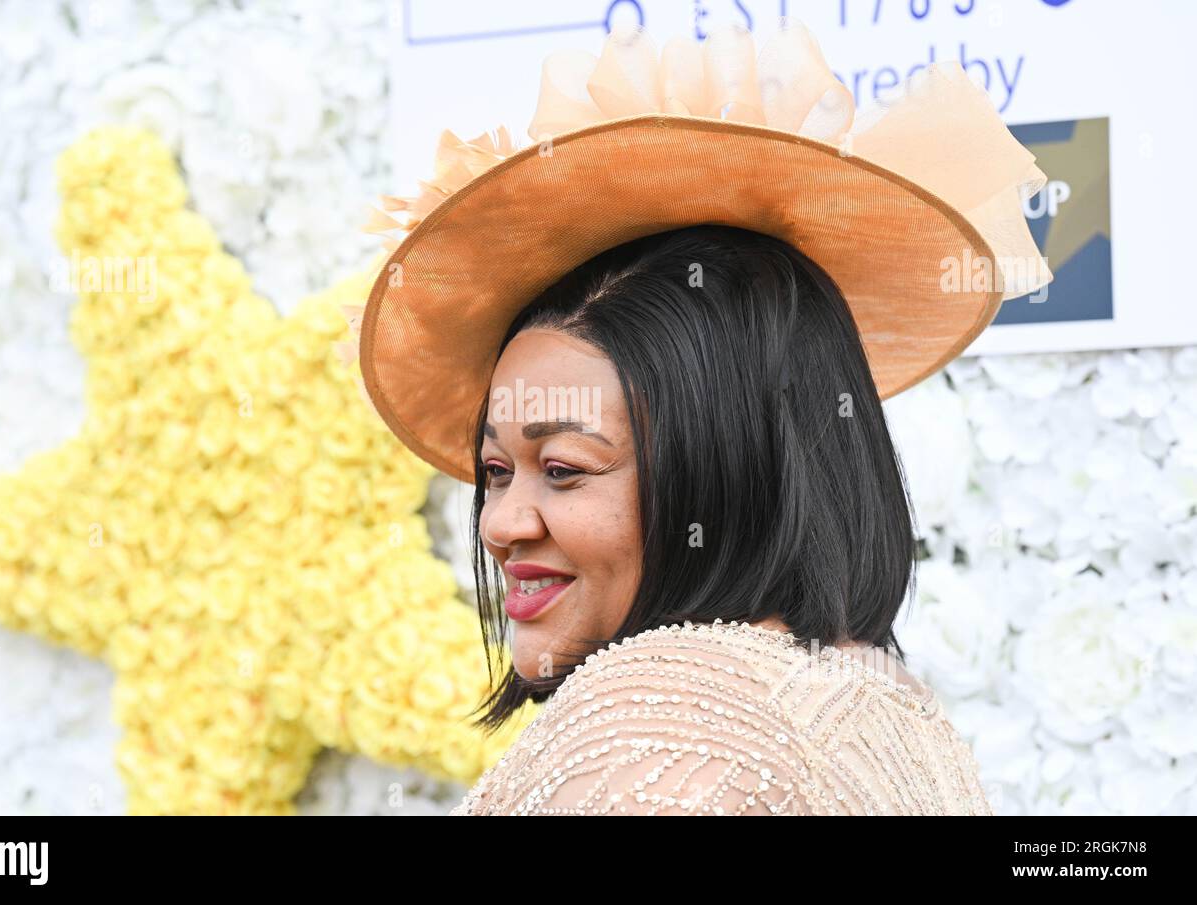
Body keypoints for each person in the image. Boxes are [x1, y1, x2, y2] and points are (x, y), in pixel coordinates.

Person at [352, 19, 1051, 814]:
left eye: (563, 470)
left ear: (728, 470)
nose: (501, 523)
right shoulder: (890, 703)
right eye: (495, 473)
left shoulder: (654, 729)